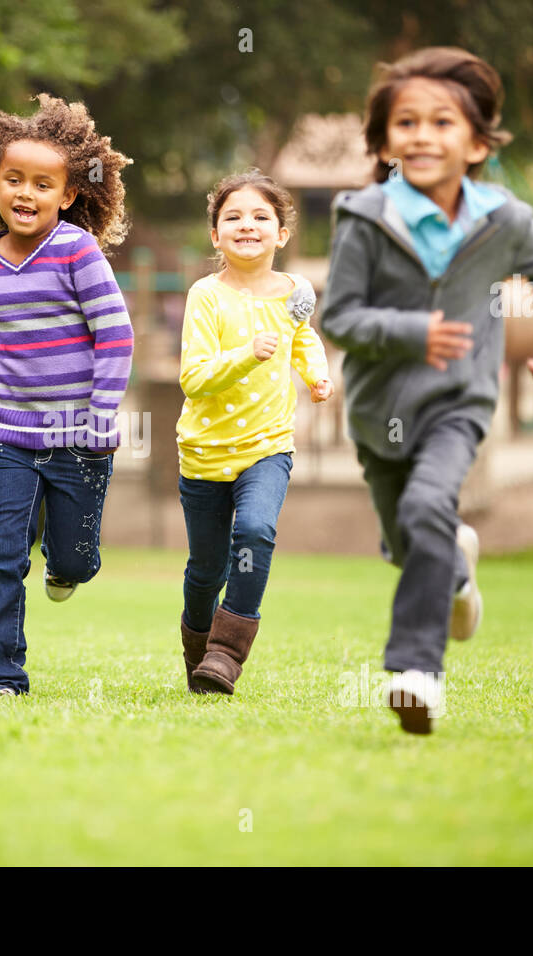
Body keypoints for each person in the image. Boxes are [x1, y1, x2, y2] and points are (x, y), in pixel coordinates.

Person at [321, 47, 533, 733]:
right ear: (384, 142)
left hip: (458, 404)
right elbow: (341, 317)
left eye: (442, 123)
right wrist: (412, 332)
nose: (422, 135)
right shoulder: (364, 218)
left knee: (427, 506)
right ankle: (458, 578)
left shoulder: (503, 222)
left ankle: (417, 673)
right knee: (405, 539)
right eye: (406, 122)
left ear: (476, 143)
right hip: (379, 411)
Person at [0, 94, 134, 697]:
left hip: (81, 439)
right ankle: (0, 678)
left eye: (43, 184)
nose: (26, 193)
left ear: (68, 195)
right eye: (14, 180)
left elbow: (115, 334)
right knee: (0, 561)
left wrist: (102, 413)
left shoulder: (77, 251)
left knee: (73, 563)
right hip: (10, 440)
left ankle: (66, 552)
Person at [176, 171, 334, 695]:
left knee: (256, 533)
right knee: (206, 570)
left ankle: (225, 654)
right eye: (234, 217)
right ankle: (198, 646)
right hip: (204, 454)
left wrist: (317, 374)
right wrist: (247, 355)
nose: (248, 225)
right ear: (216, 235)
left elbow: (303, 339)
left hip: (267, 446)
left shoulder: (296, 291)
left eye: (262, 216)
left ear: (282, 234)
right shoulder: (205, 296)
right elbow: (193, 379)